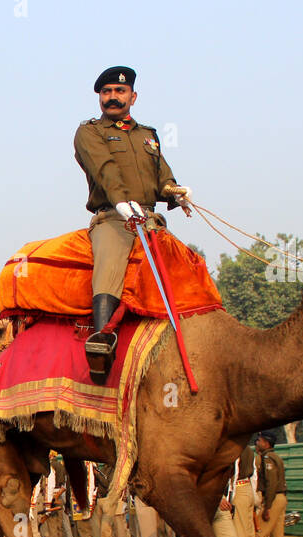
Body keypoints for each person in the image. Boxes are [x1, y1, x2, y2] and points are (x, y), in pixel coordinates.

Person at [74, 65, 191, 383]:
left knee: (189, 266)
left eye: (119, 91)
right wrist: (121, 201)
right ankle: (102, 344)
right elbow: (104, 167)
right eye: (106, 92)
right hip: (114, 218)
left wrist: (175, 192)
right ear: (100, 97)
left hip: (151, 219)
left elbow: (162, 174)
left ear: (133, 96)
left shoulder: (148, 136)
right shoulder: (90, 132)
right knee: (111, 261)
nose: (113, 97)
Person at [254, 431, 288, 537]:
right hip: (280, 498)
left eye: (259, 441)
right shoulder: (276, 457)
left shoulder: (267, 458)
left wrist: (267, 506)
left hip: (273, 499)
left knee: (259, 535)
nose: (257, 443)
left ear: (266, 444)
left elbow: (271, 483)